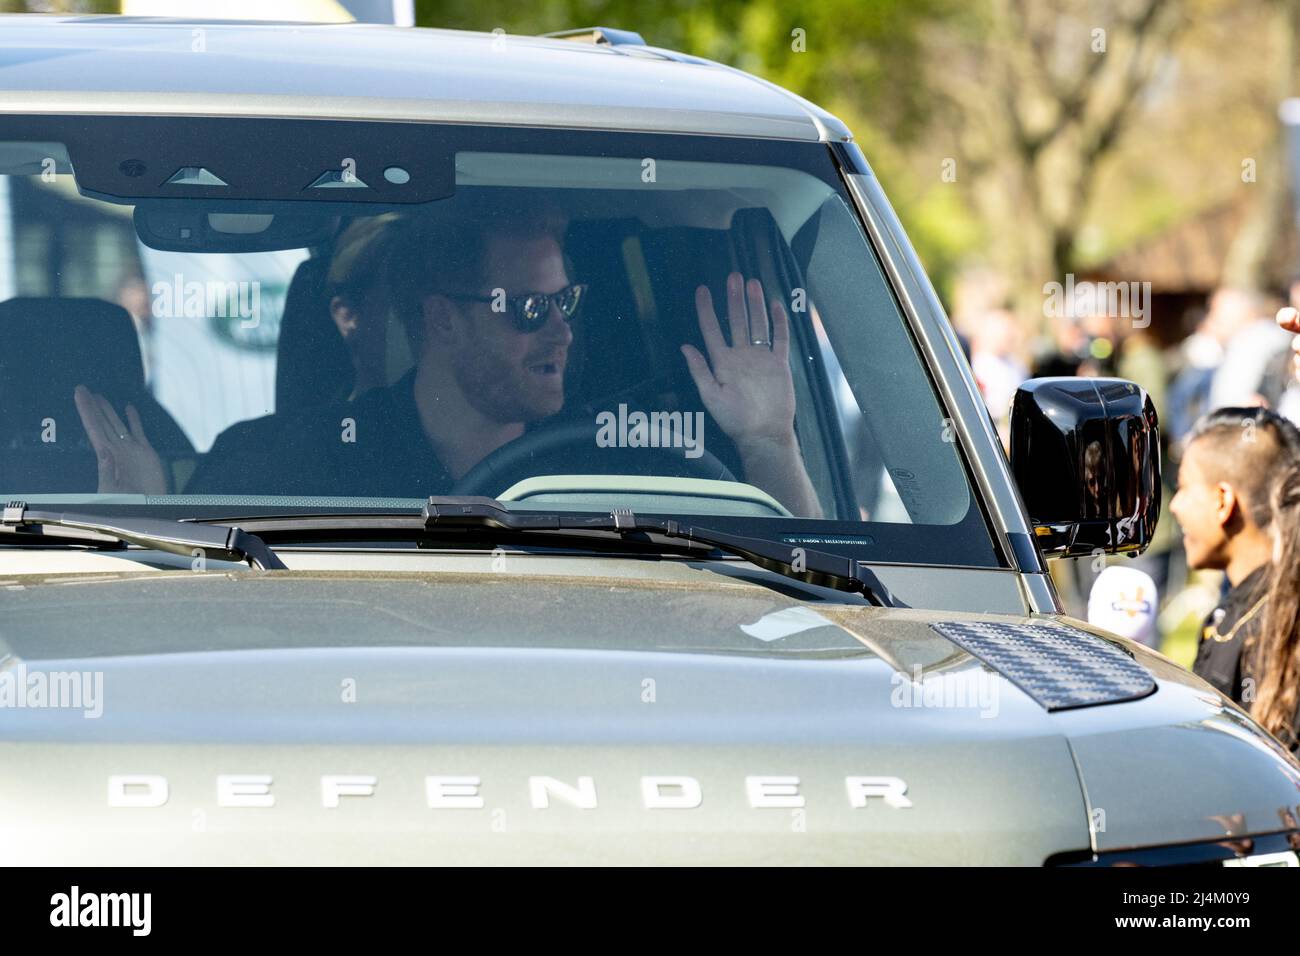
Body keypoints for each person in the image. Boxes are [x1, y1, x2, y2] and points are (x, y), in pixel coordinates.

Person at [75, 197, 823, 517]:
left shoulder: (627, 459)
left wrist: (768, 441)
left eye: (567, 304)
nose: (561, 334)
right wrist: (145, 520)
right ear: (441, 319)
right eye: (529, 310)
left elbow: (804, 598)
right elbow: (183, 630)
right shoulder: (284, 465)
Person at [1169, 407, 1300, 710]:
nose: (1175, 505)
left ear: (1223, 502)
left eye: (1184, 487)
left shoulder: (1268, 627)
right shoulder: (1238, 615)